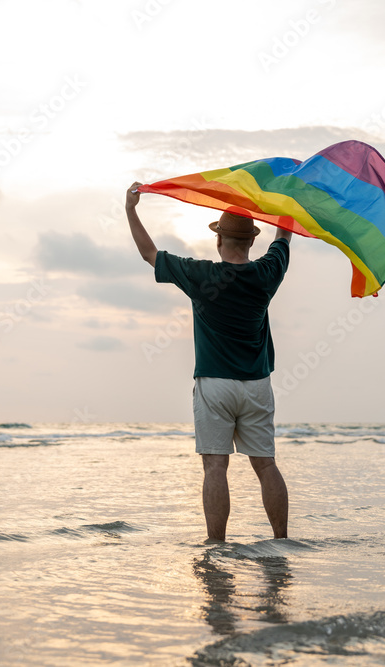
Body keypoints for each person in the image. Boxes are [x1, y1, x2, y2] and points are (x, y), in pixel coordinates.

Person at [125, 182, 292, 541]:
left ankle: (216, 545)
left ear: (219, 241)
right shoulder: (267, 274)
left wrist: (131, 209)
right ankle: (282, 541)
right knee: (265, 465)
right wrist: (290, 202)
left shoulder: (201, 276)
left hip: (214, 384)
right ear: (250, 243)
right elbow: (284, 238)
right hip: (257, 384)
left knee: (215, 465)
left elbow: (149, 254)